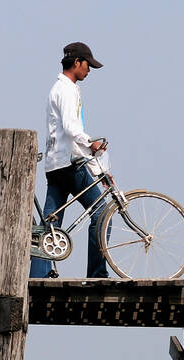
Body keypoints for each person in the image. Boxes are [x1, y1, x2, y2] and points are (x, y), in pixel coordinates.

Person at [30, 42, 111, 280]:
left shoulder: (59, 88)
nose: (89, 70)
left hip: (55, 165)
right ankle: (97, 274)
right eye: (88, 65)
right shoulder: (66, 90)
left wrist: (97, 167)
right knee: (102, 213)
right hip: (69, 164)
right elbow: (71, 128)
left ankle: (38, 276)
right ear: (77, 62)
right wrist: (92, 143)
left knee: (49, 225)